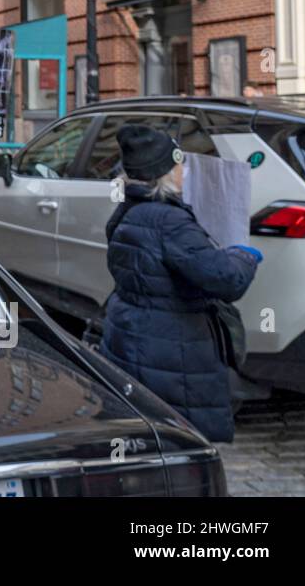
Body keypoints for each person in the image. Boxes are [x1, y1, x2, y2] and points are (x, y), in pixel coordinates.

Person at [101, 124, 260, 442]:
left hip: (133, 337)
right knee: (180, 443)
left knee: (150, 437)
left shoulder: (128, 210)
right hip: (172, 351)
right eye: (179, 165)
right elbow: (227, 281)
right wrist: (245, 256)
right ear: (163, 173)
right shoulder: (169, 221)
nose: (185, 172)